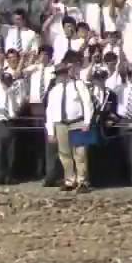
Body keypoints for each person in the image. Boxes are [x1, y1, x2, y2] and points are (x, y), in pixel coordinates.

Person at [44, 60, 92, 191]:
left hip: (77, 122)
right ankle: (70, 180)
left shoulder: (78, 85)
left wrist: (87, 122)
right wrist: (50, 131)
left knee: (80, 153)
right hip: (61, 124)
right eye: (59, 74)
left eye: (63, 73)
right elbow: (50, 111)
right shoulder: (54, 90)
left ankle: (82, 181)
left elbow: (87, 103)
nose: (61, 76)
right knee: (64, 154)